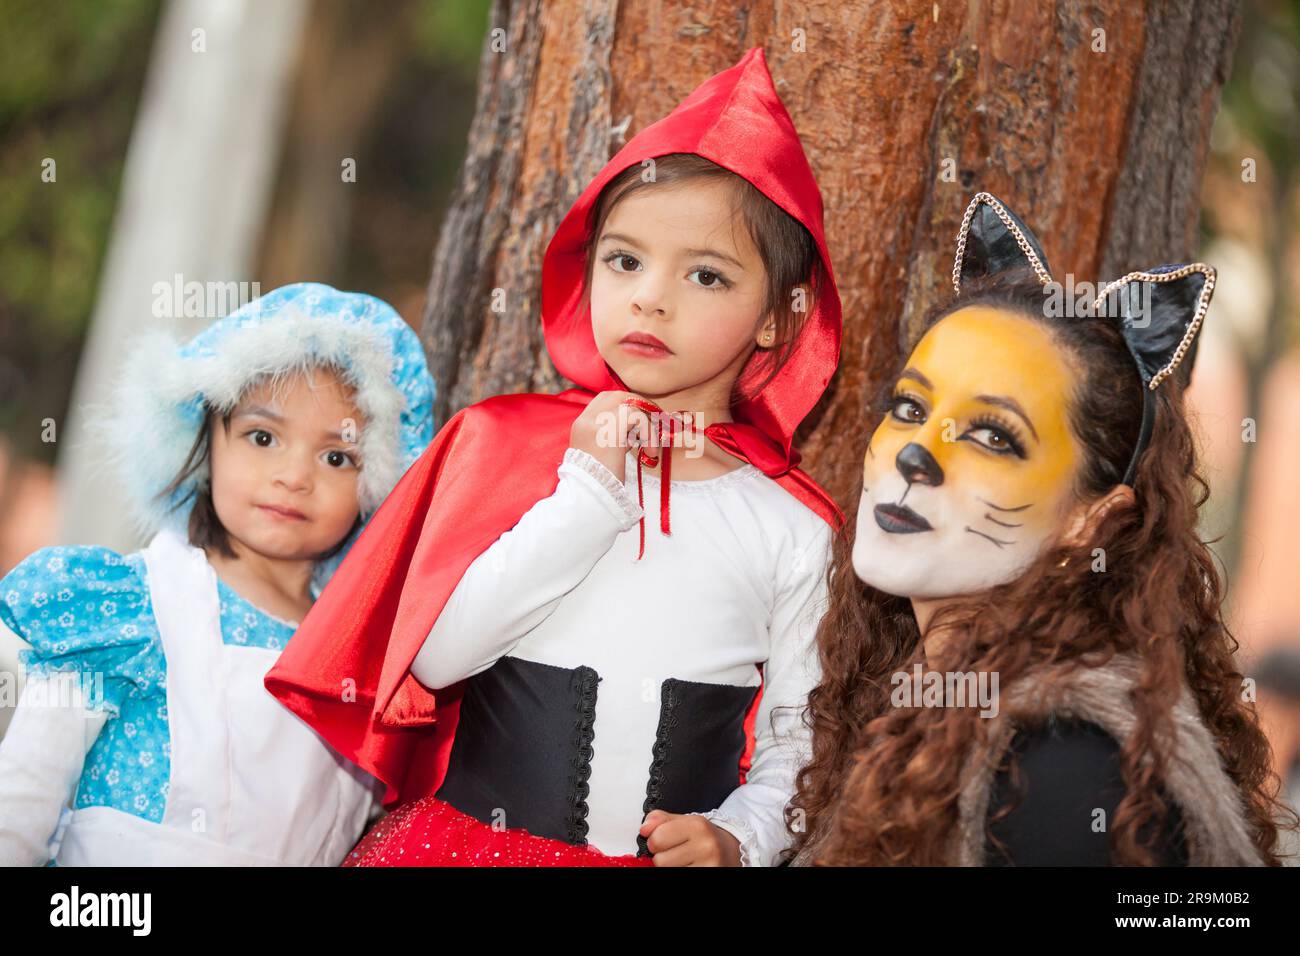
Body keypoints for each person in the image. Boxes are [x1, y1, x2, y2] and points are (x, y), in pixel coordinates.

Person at [265, 47, 843, 867]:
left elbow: (800, 738)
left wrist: (740, 836)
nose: (652, 295)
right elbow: (435, 656)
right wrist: (588, 496)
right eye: (626, 260)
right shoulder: (503, 447)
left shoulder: (793, 528)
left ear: (781, 317)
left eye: (708, 276)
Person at [787, 193, 1293, 866]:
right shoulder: (907, 699)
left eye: (994, 436)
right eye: (909, 407)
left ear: (1092, 520)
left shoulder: (1066, 762)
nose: (916, 454)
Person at [0, 283, 435, 865]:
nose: (292, 476)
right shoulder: (127, 609)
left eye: (337, 457)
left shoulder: (363, 661)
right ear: (206, 440)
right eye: (263, 437)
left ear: (377, 484)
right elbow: (22, 802)